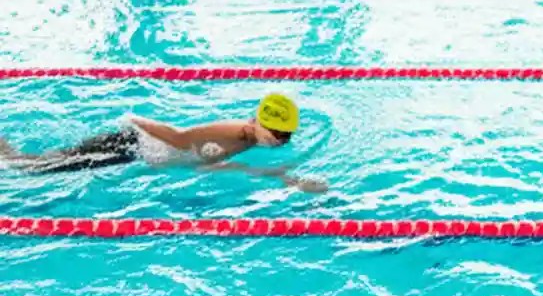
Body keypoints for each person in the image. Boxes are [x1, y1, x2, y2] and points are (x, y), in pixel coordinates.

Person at [0, 94, 326, 193]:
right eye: (277, 135)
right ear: (259, 124)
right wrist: (136, 121)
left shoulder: (253, 141)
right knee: (32, 169)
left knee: (42, 164)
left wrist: (286, 180)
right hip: (133, 146)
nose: (282, 142)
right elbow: (180, 137)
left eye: (287, 136)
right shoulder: (231, 132)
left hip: (140, 157)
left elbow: (213, 164)